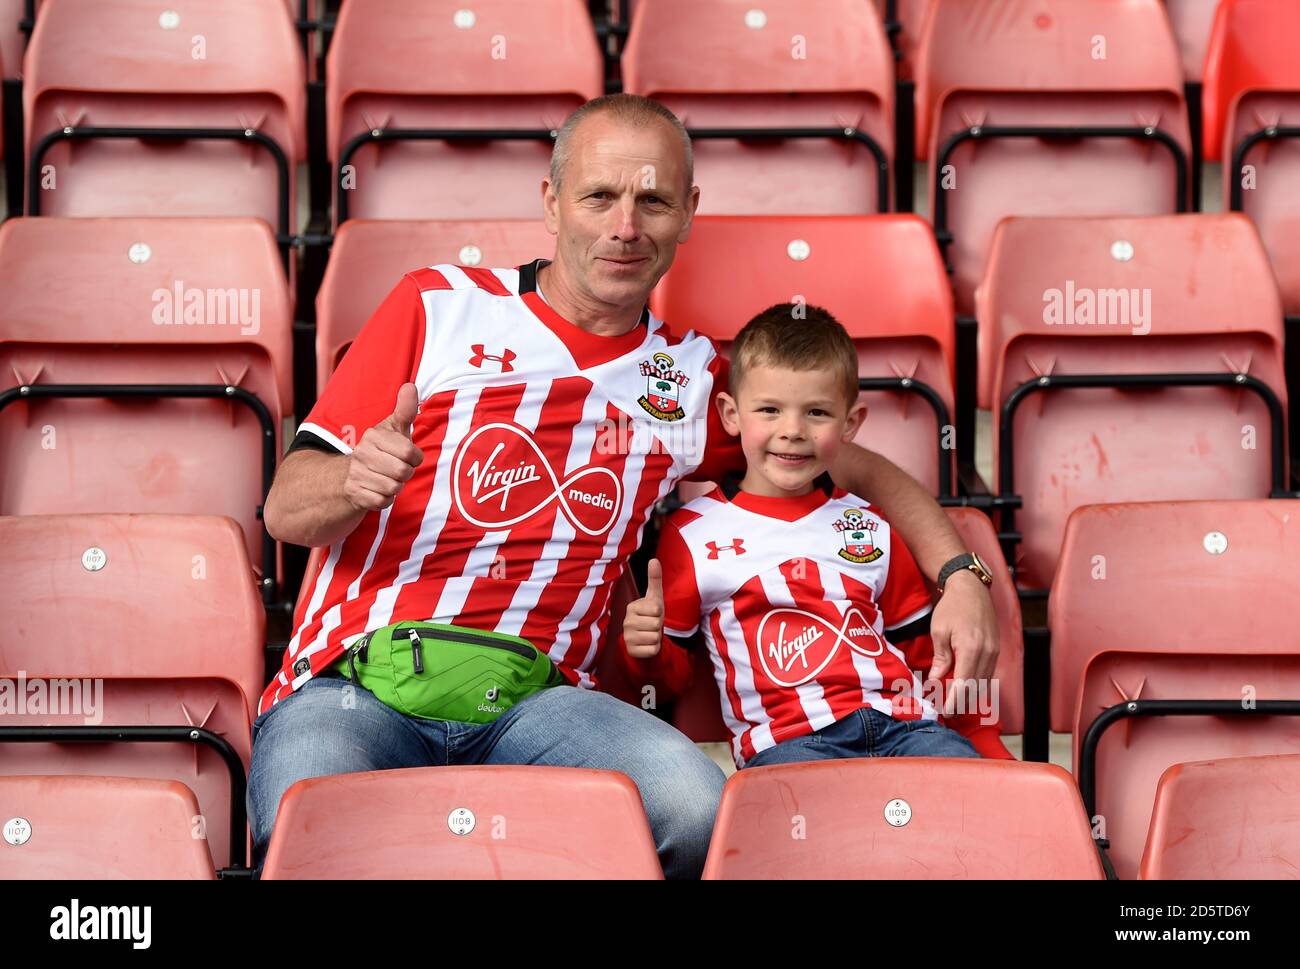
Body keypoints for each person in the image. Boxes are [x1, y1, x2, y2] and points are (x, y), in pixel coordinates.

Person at [250, 94, 998, 878]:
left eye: (654, 200)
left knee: (696, 811)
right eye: (600, 195)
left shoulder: (699, 378)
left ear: (689, 214)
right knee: (310, 824)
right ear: (551, 201)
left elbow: (859, 465)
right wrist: (355, 480)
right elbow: (285, 509)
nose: (626, 226)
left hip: (539, 701)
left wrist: (961, 575)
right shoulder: (438, 305)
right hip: (357, 682)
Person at [620, 304, 1012, 768]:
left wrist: (976, 738)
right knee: (799, 828)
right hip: (789, 743)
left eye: (817, 413)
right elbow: (671, 682)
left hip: (907, 729)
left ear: (850, 424)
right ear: (730, 414)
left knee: (975, 807)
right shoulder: (691, 533)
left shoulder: (871, 523)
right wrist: (646, 654)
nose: (792, 432)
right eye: (769, 410)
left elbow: (927, 656)